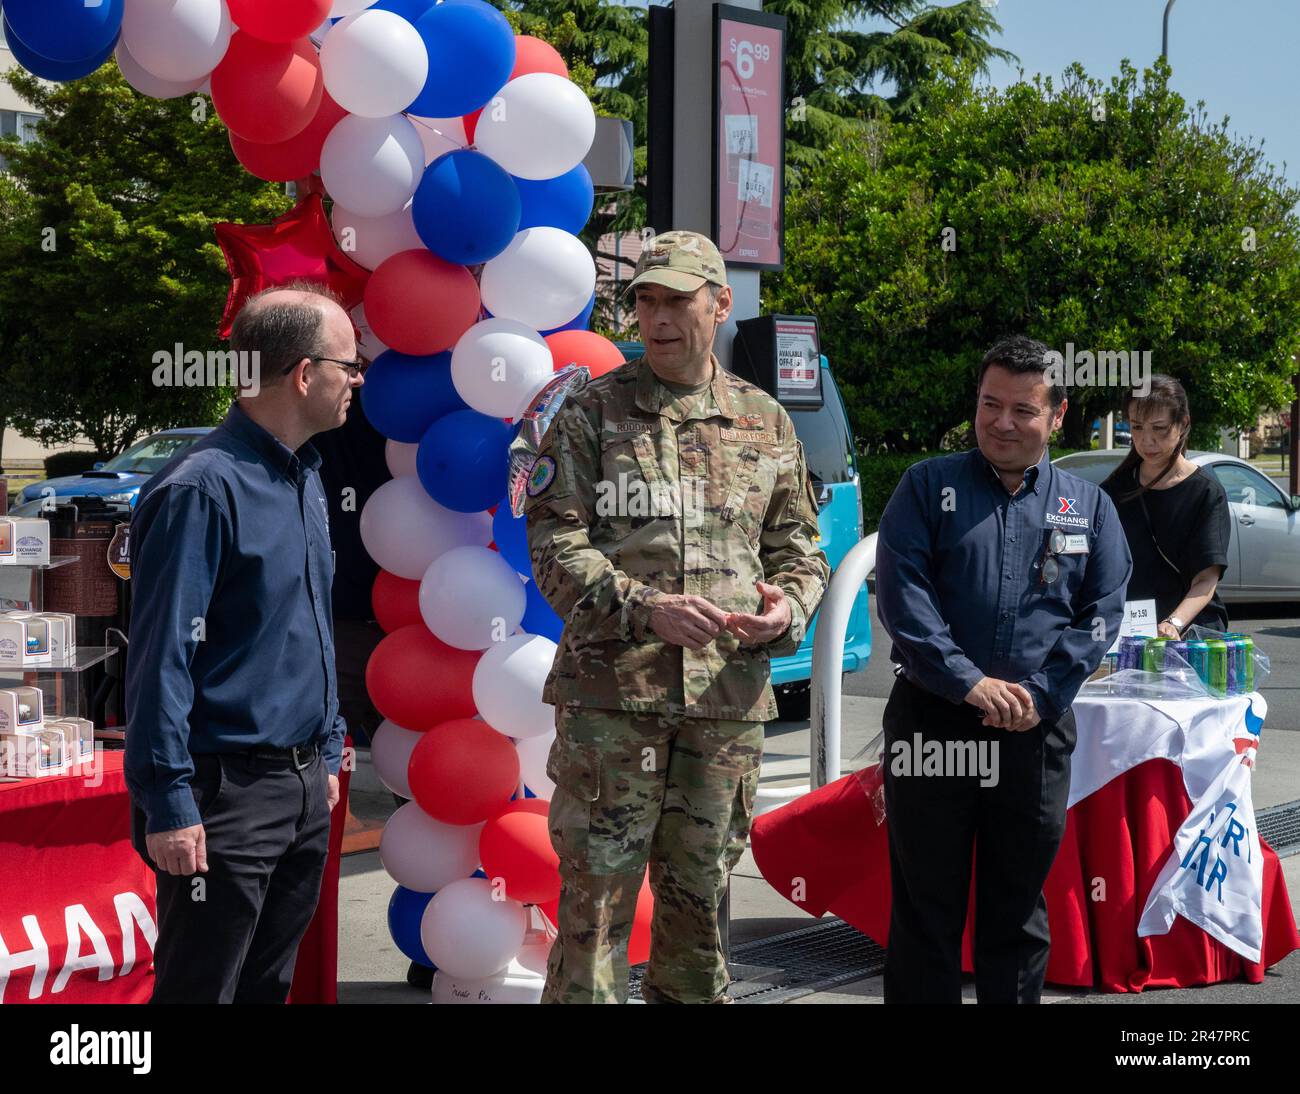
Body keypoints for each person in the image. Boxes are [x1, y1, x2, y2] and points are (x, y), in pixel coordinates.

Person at [525, 230, 830, 1003]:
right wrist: (645, 609)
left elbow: (801, 551)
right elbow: (554, 543)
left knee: (698, 909)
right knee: (594, 910)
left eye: (677, 301)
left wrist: (785, 610)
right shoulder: (591, 413)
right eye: (645, 301)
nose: (657, 318)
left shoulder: (765, 422)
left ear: (720, 304)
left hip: (724, 707)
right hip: (612, 705)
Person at [874, 333, 1132, 1004]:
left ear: (1057, 415)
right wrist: (969, 682)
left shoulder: (1090, 506)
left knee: (1016, 914)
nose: (1002, 422)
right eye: (991, 404)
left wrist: (1040, 696)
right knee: (926, 909)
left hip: (1034, 737)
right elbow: (904, 601)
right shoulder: (927, 487)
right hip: (933, 725)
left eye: (1024, 409)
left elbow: (1102, 612)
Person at [125, 282, 362, 1003]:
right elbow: (160, 658)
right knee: (202, 991)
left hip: (297, 791)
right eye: (350, 366)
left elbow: (307, 629)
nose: (357, 380)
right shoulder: (201, 489)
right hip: (223, 797)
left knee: (267, 988)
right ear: (302, 373)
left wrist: (323, 752)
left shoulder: (306, 476)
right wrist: (169, 801)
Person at [1101, 374, 1231, 636]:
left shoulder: (1206, 493)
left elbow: (1206, 581)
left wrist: (1174, 624)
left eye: (1159, 428)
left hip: (1191, 634)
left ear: (1182, 424)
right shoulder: (1112, 491)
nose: (1147, 440)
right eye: (1137, 427)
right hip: (1130, 632)